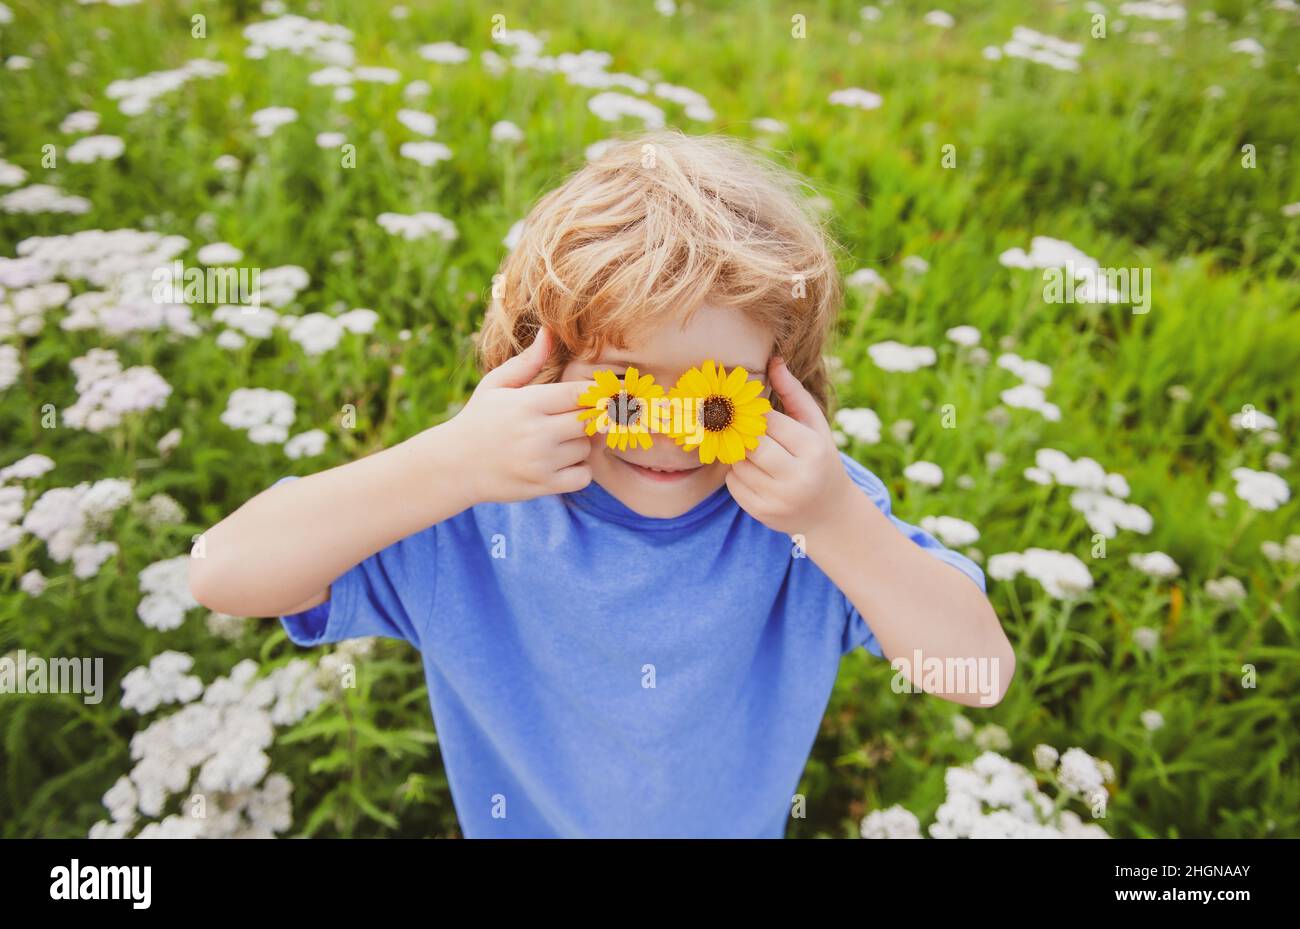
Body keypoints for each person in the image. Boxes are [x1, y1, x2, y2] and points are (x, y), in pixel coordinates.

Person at [189, 129, 1014, 838]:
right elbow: (222, 573)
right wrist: (448, 462)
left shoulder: (806, 512)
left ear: (783, 389)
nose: (665, 429)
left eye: (714, 397)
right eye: (623, 388)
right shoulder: (471, 507)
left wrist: (838, 519)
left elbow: (977, 674)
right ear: (535, 366)